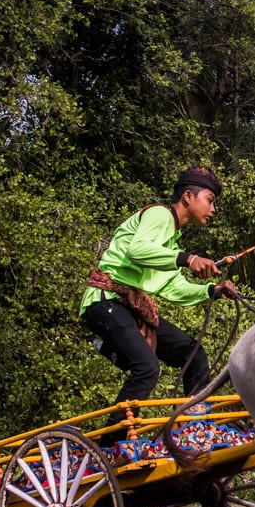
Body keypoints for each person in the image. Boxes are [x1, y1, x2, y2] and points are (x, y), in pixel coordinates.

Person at [79, 165, 239, 442]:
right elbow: (138, 251)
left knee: (193, 354)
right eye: (210, 201)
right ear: (188, 197)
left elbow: (172, 287)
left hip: (128, 308)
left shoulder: (171, 242)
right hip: (105, 301)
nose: (213, 209)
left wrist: (211, 290)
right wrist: (188, 259)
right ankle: (109, 445)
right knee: (147, 367)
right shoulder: (159, 215)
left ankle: (194, 427)